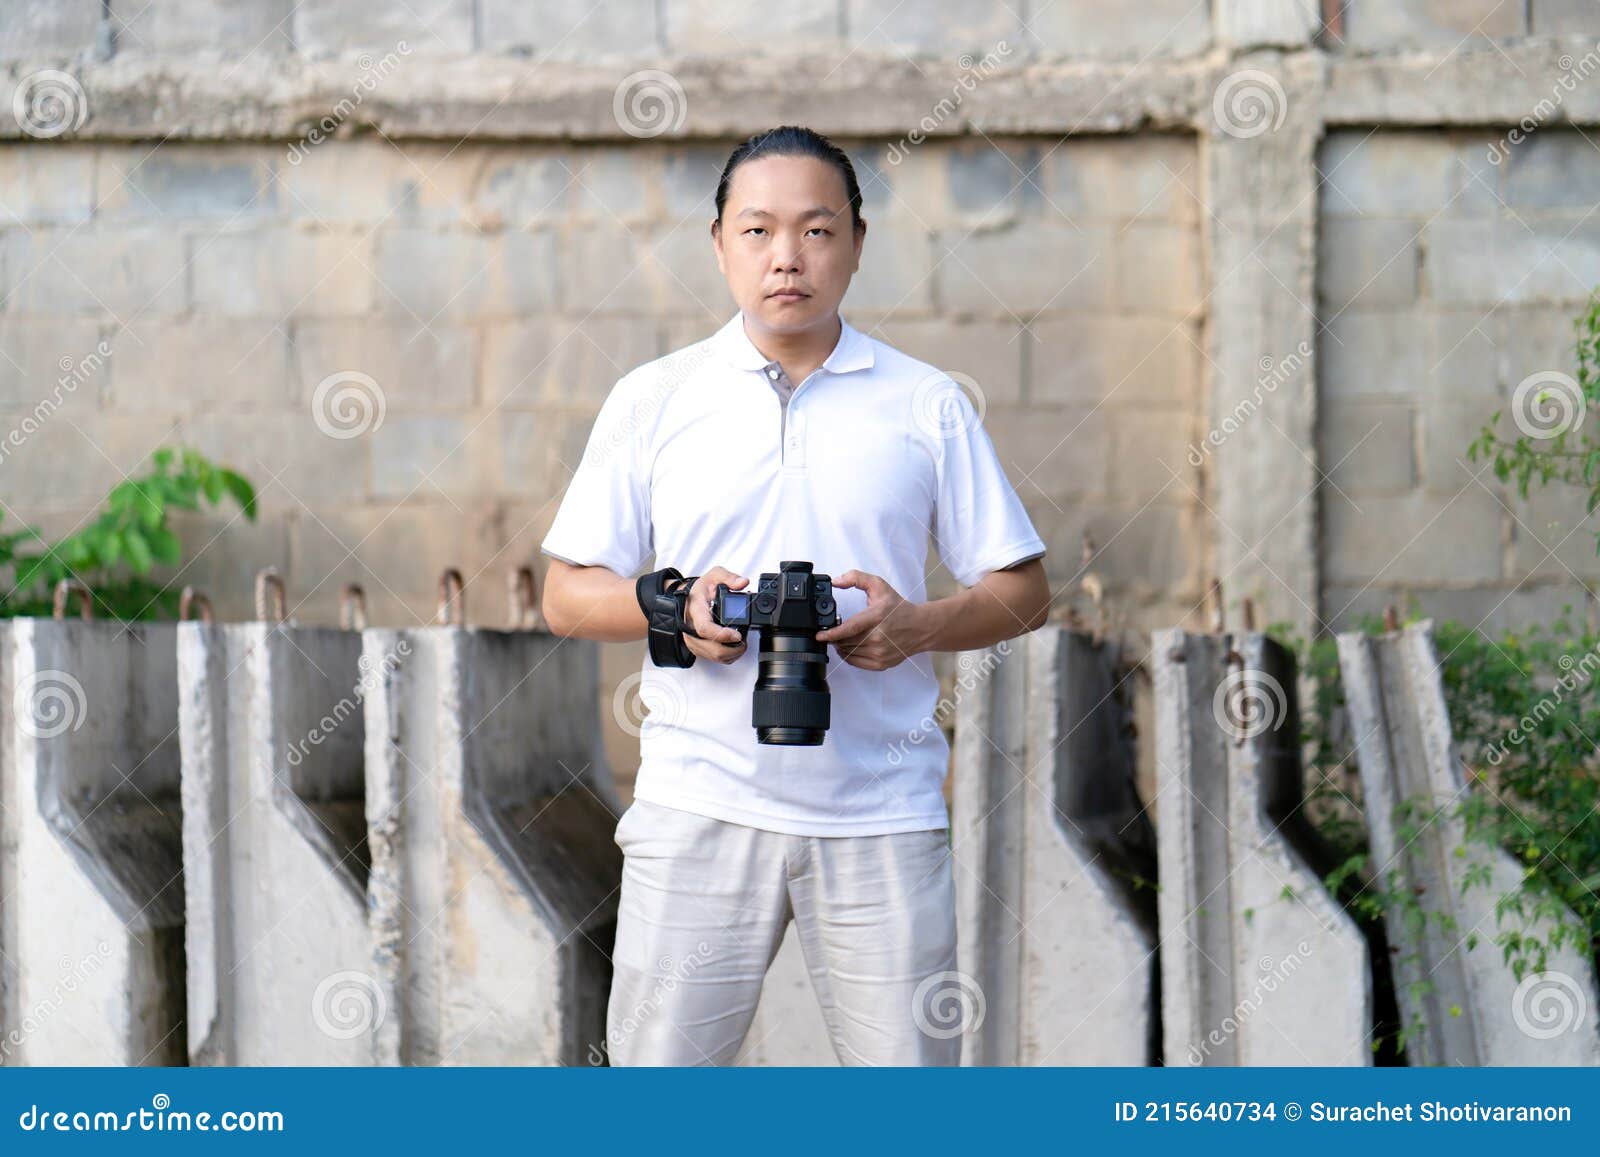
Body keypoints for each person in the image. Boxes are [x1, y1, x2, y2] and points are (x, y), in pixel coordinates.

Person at [540, 125, 1050, 1066]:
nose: (787, 258)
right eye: (758, 230)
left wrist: (916, 625)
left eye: (817, 231)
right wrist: (679, 609)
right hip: (697, 806)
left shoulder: (926, 402)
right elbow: (565, 595)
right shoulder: (653, 399)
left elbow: (1024, 589)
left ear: (857, 242)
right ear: (719, 243)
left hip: (882, 812)